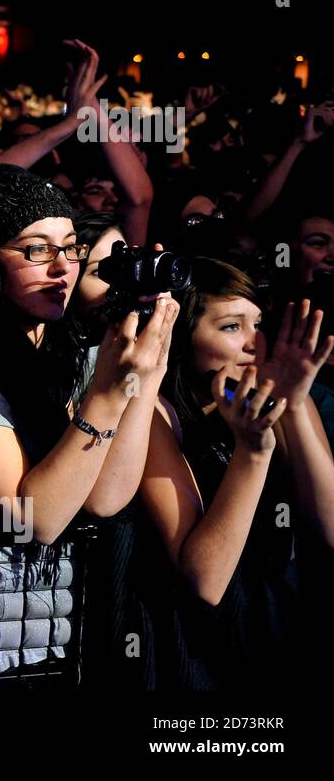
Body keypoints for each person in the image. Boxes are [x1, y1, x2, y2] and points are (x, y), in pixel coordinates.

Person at [0, 164, 176, 678]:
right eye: (35, 250)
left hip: (50, 640)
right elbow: (38, 518)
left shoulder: (73, 353)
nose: (61, 267)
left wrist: (147, 373)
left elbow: (106, 497)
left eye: (69, 248)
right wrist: (108, 396)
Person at [140, 259, 334, 687]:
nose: (254, 343)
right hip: (200, 655)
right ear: (184, 338)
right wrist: (253, 451)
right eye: (231, 327)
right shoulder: (156, 414)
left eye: (259, 323)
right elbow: (205, 582)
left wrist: (296, 403)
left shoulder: (274, 396)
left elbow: (330, 528)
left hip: (285, 638)